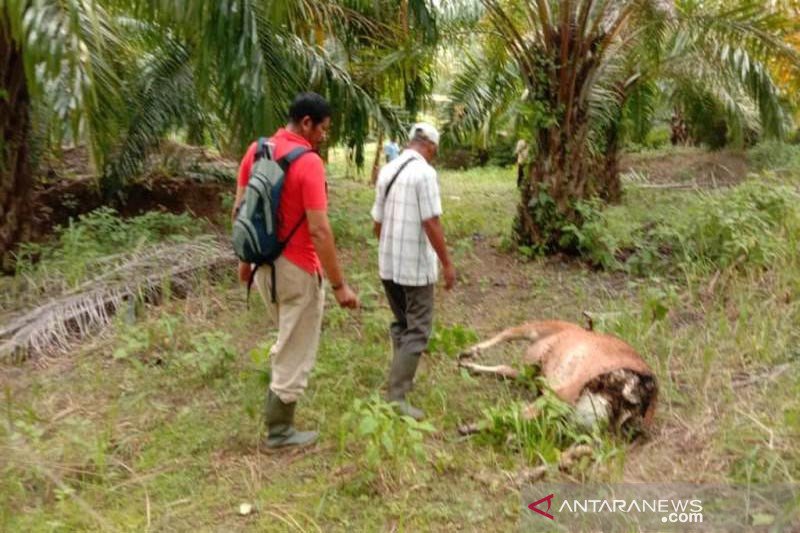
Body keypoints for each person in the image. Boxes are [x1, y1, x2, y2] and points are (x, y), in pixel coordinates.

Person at [233, 92, 359, 450]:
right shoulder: (309, 163)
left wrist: (245, 262)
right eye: (324, 129)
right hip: (298, 269)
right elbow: (319, 230)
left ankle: (280, 414)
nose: (324, 136)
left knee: (286, 336)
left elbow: (240, 211)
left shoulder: (256, 151)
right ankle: (280, 432)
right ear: (307, 123)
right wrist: (339, 287)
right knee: (295, 347)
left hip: (263, 267)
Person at [370, 122, 456, 420]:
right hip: (414, 266)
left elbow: (377, 223)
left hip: (388, 263)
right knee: (418, 328)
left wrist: (389, 247)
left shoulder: (388, 170)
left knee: (402, 322)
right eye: (435, 151)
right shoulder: (425, 173)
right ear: (430, 146)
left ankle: (400, 379)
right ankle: (397, 396)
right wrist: (447, 264)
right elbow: (431, 222)